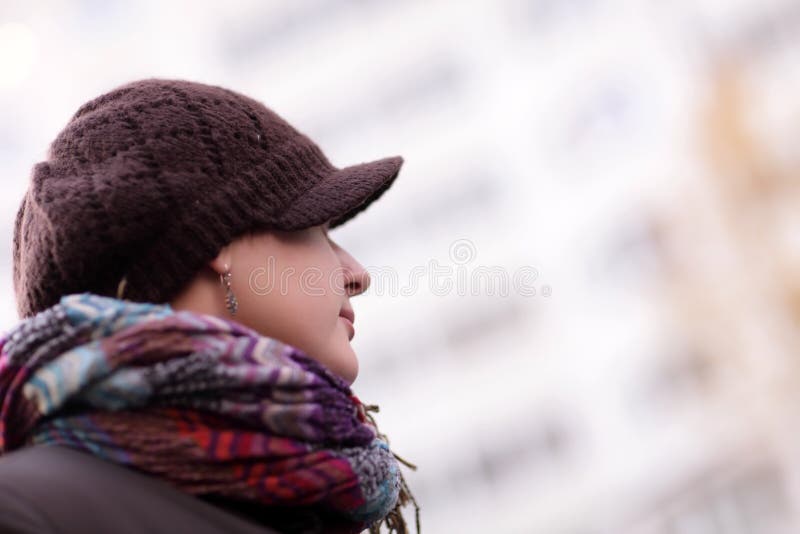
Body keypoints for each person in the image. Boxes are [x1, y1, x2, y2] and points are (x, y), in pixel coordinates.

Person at [0, 78, 420, 534]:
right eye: (319, 231)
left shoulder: (303, 505)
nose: (357, 274)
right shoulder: (27, 512)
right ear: (219, 240)